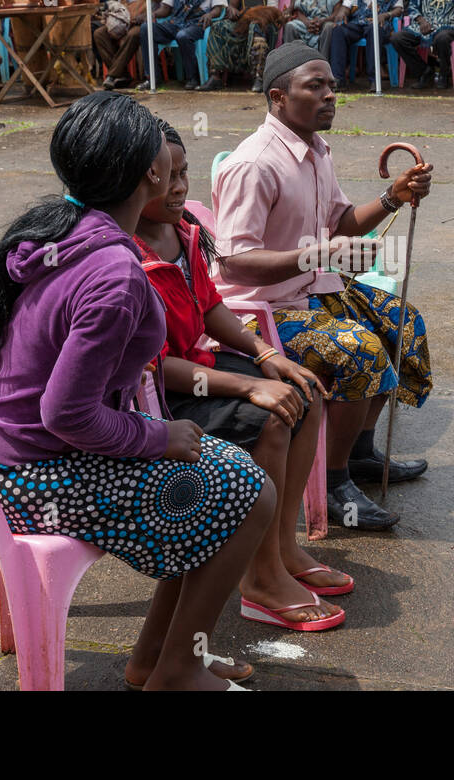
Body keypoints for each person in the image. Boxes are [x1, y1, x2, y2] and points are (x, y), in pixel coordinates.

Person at [0, 93, 274, 690]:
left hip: (4, 460)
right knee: (249, 493)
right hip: (32, 479)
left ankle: (155, 659)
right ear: (151, 174)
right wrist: (156, 435)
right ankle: (177, 671)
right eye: (165, 157)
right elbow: (64, 412)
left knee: (219, 480)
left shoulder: (59, 229)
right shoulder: (113, 274)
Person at [212, 43, 433, 532]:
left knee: (402, 324)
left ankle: (357, 454)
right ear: (278, 97)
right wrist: (316, 255)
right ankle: (333, 484)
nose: (331, 95)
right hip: (260, 310)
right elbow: (234, 263)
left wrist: (392, 196)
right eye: (316, 87)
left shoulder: (315, 148)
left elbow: (341, 223)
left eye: (332, 86)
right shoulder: (253, 165)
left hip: (312, 289)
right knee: (359, 350)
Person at [133, 121, 345, 631]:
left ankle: (283, 546)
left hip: (195, 367)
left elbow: (210, 307)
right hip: (155, 397)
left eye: (183, 173)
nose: (179, 187)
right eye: (165, 176)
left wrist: (264, 352)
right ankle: (260, 576)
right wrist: (251, 384)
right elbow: (157, 367)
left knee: (305, 391)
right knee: (271, 417)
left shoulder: (181, 232)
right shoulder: (129, 260)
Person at [203, 0, 288, 92]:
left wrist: (287, 13)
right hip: (245, 21)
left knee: (256, 26)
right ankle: (216, 75)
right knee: (218, 27)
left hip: (267, 23)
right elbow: (232, 6)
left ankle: (259, 76)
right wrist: (233, 9)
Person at [138, 0, 225, 90]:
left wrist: (210, 14)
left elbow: (218, 8)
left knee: (183, 35)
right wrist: (153, 14)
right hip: (176, 22)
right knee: (146, 29)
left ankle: (192, 78)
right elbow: (166, 8)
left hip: (198, 23)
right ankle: (153, 77)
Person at [96, 0, 171, 89]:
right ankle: (122, 74)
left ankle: (112, 76)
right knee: (99, 33)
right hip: (126, 19)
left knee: (134, 34)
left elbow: (167, 7)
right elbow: (120, 4)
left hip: (147, 22)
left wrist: (148, 16)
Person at [328, 0, 404, 90]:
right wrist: (342, 13)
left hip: (380, 24)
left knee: (373, 30)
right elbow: (347, 4)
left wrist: (385, 15)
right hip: (358, 22)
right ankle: (338, 78)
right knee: (338, 31)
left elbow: (399, 9)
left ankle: (374, 79)